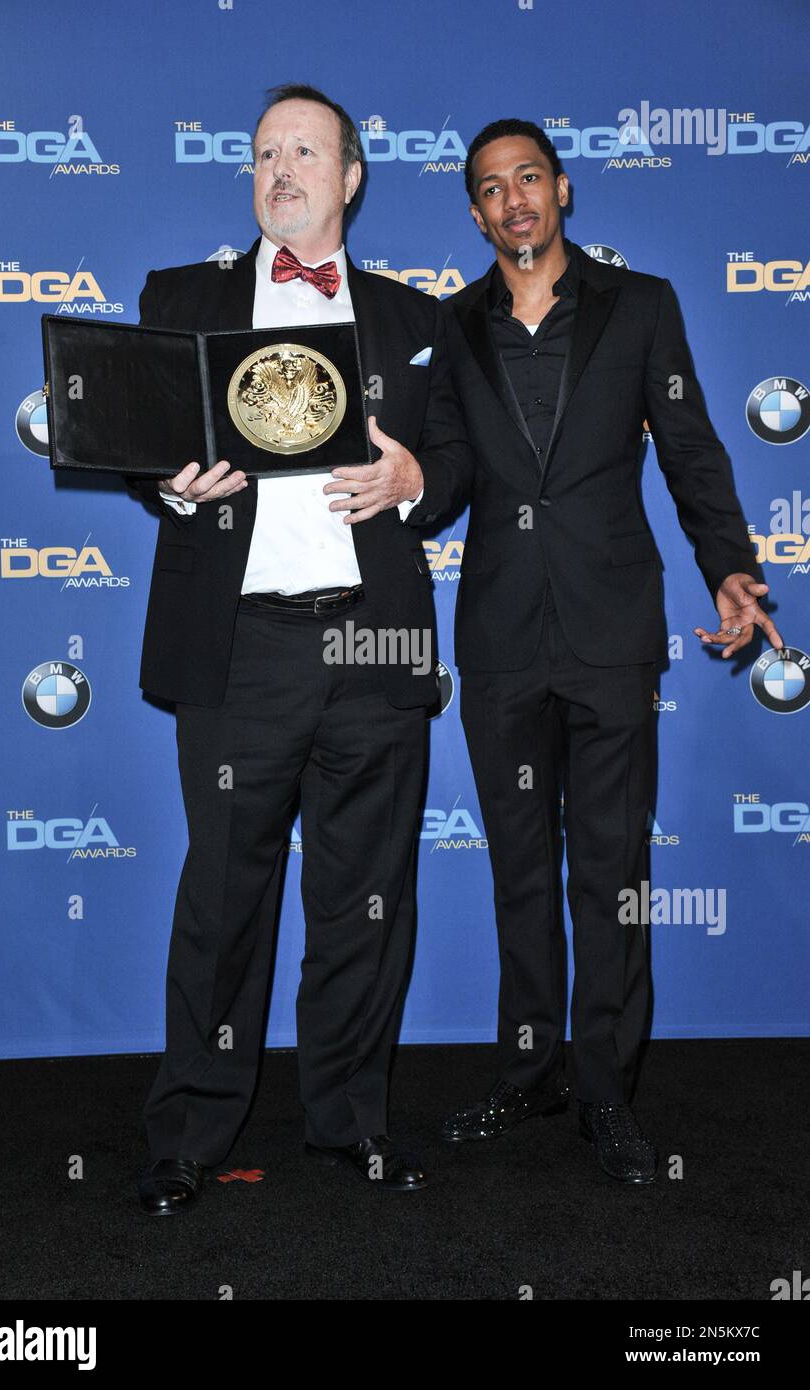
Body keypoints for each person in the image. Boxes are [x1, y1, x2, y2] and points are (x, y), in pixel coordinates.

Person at [396, 118, 782, 1184]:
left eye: (528, 179)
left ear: (562, 191)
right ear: (473, 214)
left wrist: (729, 565)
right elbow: (451, 476)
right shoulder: (454, 325)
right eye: (489, 188)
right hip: (503, 637)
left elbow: (690, 446)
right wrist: (409, 491)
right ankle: (530, 1070)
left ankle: (606, 1087)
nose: (512, 200)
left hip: (611, 632)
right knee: (520, 872)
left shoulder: (641, 305)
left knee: (609, 874)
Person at [124, 83, 471, 1214]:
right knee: (223, 898)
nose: (282, 170)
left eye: (305, 152)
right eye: (265, 152)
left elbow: (460, 464)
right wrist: (166, 483)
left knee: (366, 898)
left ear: (351, 176)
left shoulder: (419, 321)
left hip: (372, 645)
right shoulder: (178, 298)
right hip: (238, 649)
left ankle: (351, 1123)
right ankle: (190, 1134)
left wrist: (419, 480)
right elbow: (134, 437)